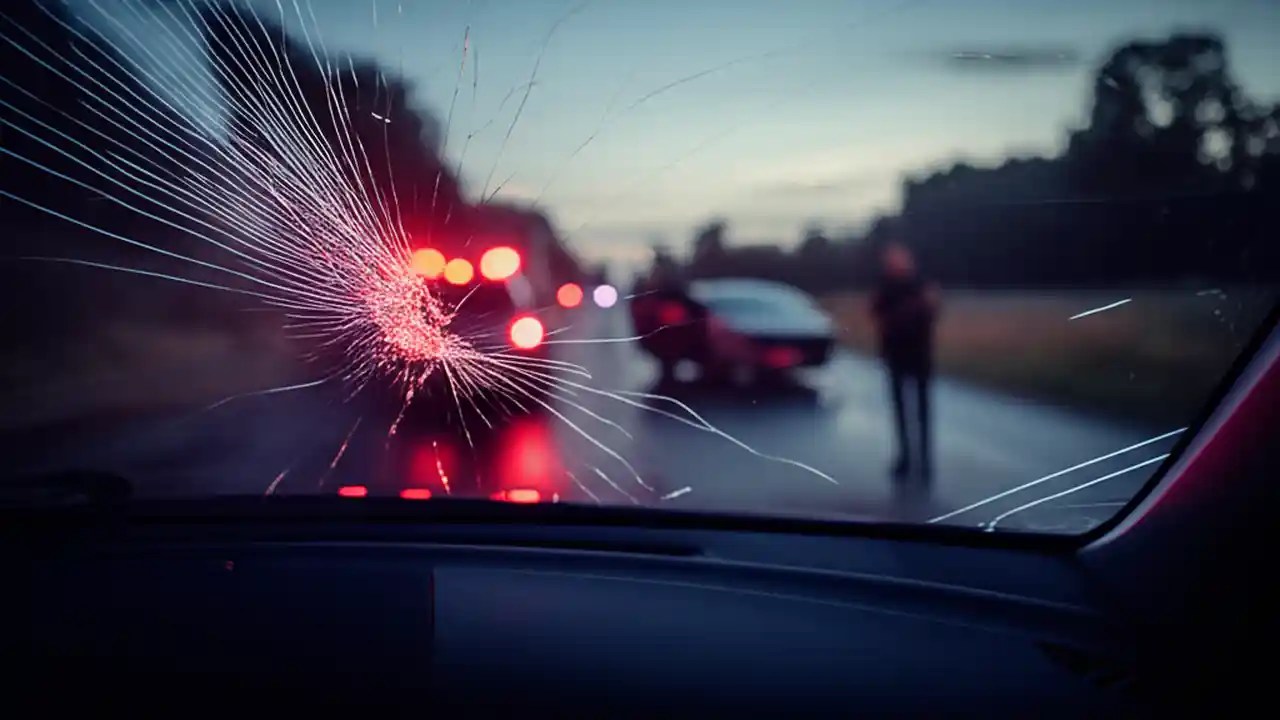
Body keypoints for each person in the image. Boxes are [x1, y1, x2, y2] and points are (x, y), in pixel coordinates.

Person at [869, 241, 940, 482]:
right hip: (896, 355)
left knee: (921, 411)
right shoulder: (886, 286)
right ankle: (906, 457)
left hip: (919, 354)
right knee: (900, 410)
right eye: (892, 259)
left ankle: (924, 460)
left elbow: (932, 311)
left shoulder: (920, 284)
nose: (895, 263)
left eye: (898, 258)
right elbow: (877, 313)